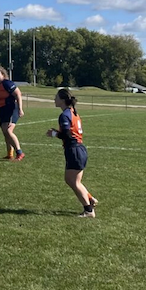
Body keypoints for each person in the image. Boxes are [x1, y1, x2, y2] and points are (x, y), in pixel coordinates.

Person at [46, 88, 98, 217]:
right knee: (73, 180)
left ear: (63, 100)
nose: (54, 99)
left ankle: (88, 210)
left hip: (74, 149)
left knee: (73, 181)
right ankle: (90, 199)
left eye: (56, 97)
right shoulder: (73, 112)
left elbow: (67, 134)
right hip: (78, 149)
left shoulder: (65, 115)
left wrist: (54, 134)